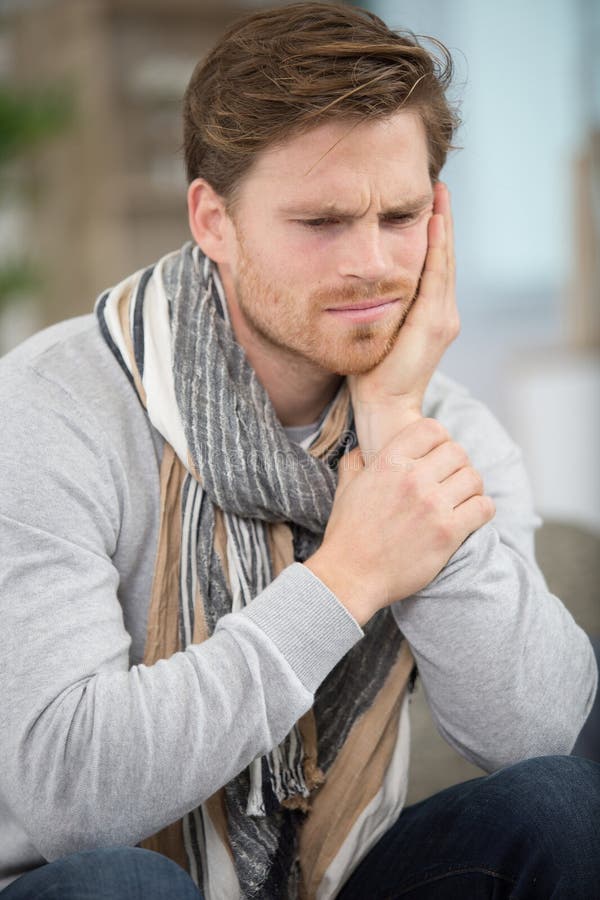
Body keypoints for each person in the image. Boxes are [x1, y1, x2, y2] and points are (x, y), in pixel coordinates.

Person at [0, 3, 598, 898]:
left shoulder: (443, 425)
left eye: (401, 216)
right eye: (320, 223)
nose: (373, 264)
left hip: (345, 880)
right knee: (117, 885)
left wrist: (393, 423)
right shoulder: (50, 409)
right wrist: (349, 576)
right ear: (213, 220)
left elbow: (539, 734)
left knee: (560, 807)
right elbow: (70, 798)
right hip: (99, 882)